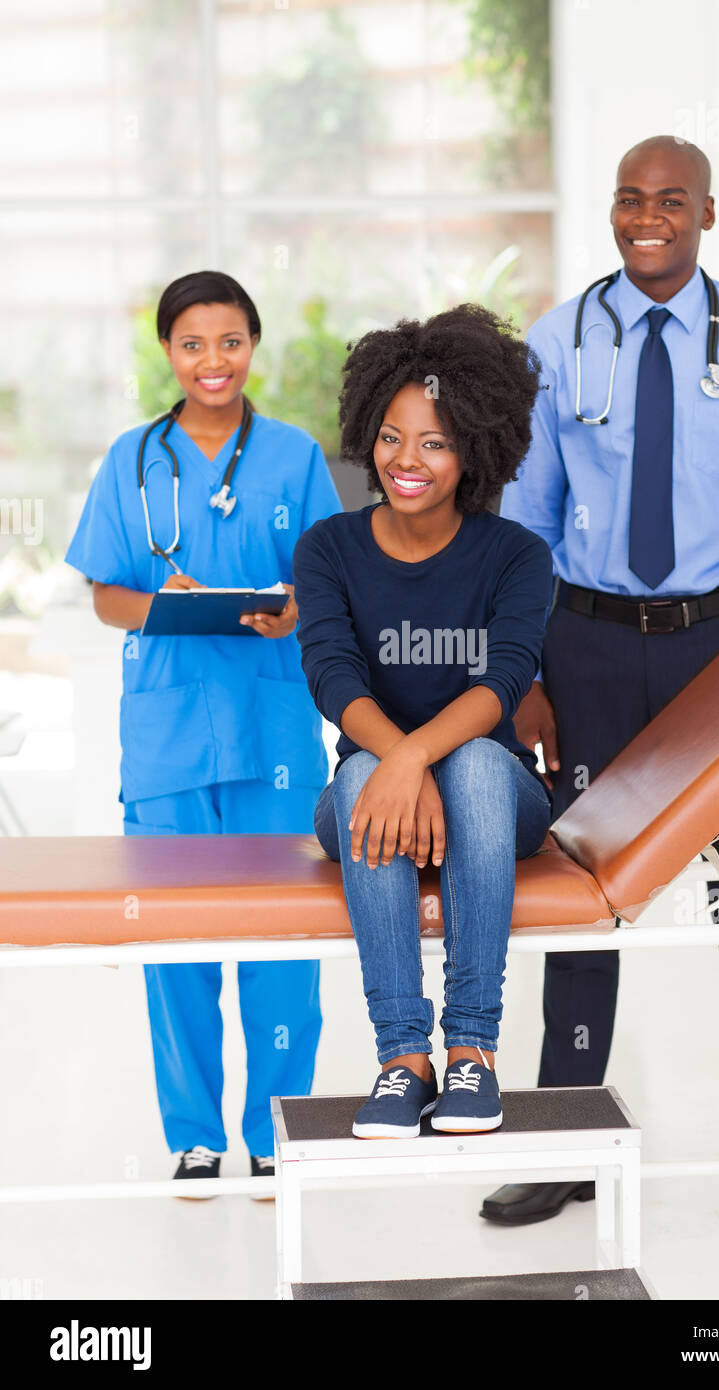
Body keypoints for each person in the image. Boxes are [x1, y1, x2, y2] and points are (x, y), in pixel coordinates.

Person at [484, 136, 719, 1230]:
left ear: (705, 212)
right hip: (586, 640)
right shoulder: (556, 344)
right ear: (611, 211)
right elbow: (523, 522)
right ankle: (560, 1141)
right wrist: (528, 676)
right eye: (629, 200)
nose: (648, 218)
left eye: (671, 201)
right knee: (581, 897)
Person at [66, 270, 341, 1192]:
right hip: (168, 739)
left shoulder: (296, 456)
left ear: (252, 347)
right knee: (175, 945)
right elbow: (104, 594)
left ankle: (276, 1132)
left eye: (229, 341)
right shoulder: (131, 460)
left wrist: (291, 609)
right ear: (169, 353)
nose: (211, 361)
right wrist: (156, 606)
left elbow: (328, 584)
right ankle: (194, 1135)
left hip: (272, 728)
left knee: (282, 942)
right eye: (192, 344)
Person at [292, 304, 555, 1138]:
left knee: (476, 760)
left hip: (490, 795)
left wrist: (419, 760)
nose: (408, 460)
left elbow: (504, 681)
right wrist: (400, 762)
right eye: (393, 437)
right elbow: (331, 674)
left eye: (435, 442)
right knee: (366, 771)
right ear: (368, 430)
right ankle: (403, 1058)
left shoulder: (516, 555)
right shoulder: (328, 548)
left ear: (474, 449)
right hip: (368, 788)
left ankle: (472, 1051)